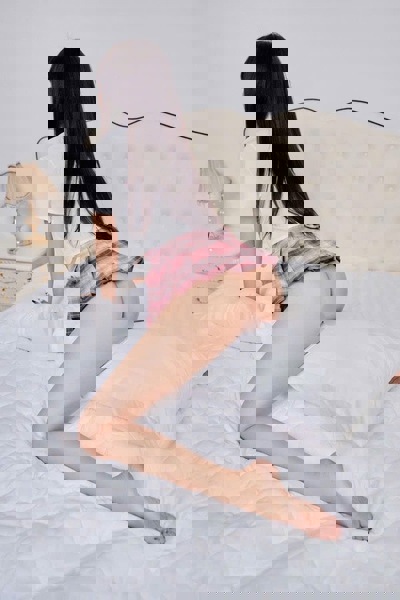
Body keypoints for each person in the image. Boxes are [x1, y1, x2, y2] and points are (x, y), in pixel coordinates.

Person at [7, 43, 342, 541]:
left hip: (194, 283)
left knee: (92, 424)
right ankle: (204, 497)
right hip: (203, 277)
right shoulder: (164, 161)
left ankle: (214, 499)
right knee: (94, 421)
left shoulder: (143, 163)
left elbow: (95, 246)